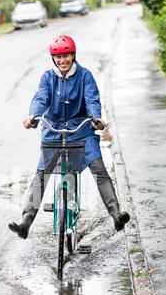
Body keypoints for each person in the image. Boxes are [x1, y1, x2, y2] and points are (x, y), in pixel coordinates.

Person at [8, 35, 130, 239]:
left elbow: (92, 99)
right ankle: (25, 223)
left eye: (66, 56)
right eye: (58, 57)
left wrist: (95, 118)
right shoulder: (47, 77)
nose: (62, 61)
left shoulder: (85, 76)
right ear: (53, 58)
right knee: (42, 174)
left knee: (99, 168)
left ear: (73, 55)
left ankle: (116, 215)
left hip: (81, 129)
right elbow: (41, 97)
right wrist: (33, 116)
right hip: (54, 130)